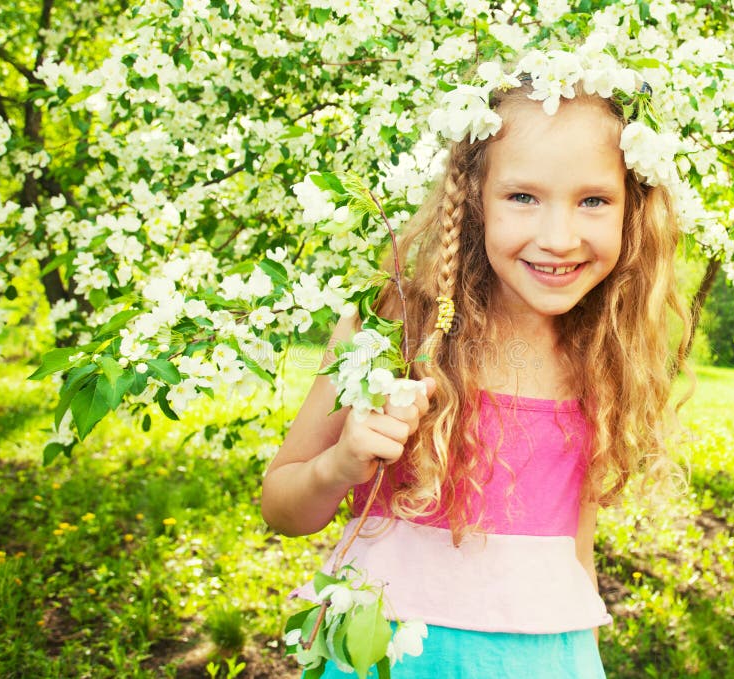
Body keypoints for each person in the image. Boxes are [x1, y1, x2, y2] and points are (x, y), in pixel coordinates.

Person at [262, 46, 690, 678]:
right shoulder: (391, 332)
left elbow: (575, 559)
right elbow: (281, 505)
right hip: (388, 655)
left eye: (593, 201)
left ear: (632, 211)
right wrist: (338, 465)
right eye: (522, 196)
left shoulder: (605, 356)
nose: (558, 236)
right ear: (474, 201)